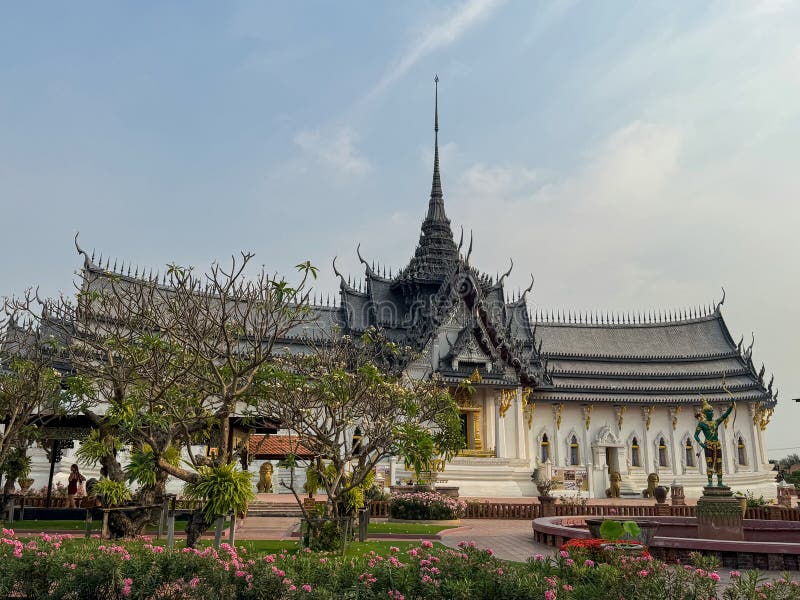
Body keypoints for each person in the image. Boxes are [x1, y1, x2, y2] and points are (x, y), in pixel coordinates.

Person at [694, 397, 735, 487]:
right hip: (708, 446)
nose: (711, 413)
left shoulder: (716, 422)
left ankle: (720, 482)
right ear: (705, 414)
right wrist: (702, 444)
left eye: (712, 411)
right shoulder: (702, 424)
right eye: (709, 412)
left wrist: (732, 406)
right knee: (709, 463)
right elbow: (695, 435)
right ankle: (710, 482)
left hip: (717, 445)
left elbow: (725, 415)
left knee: (719, 463)